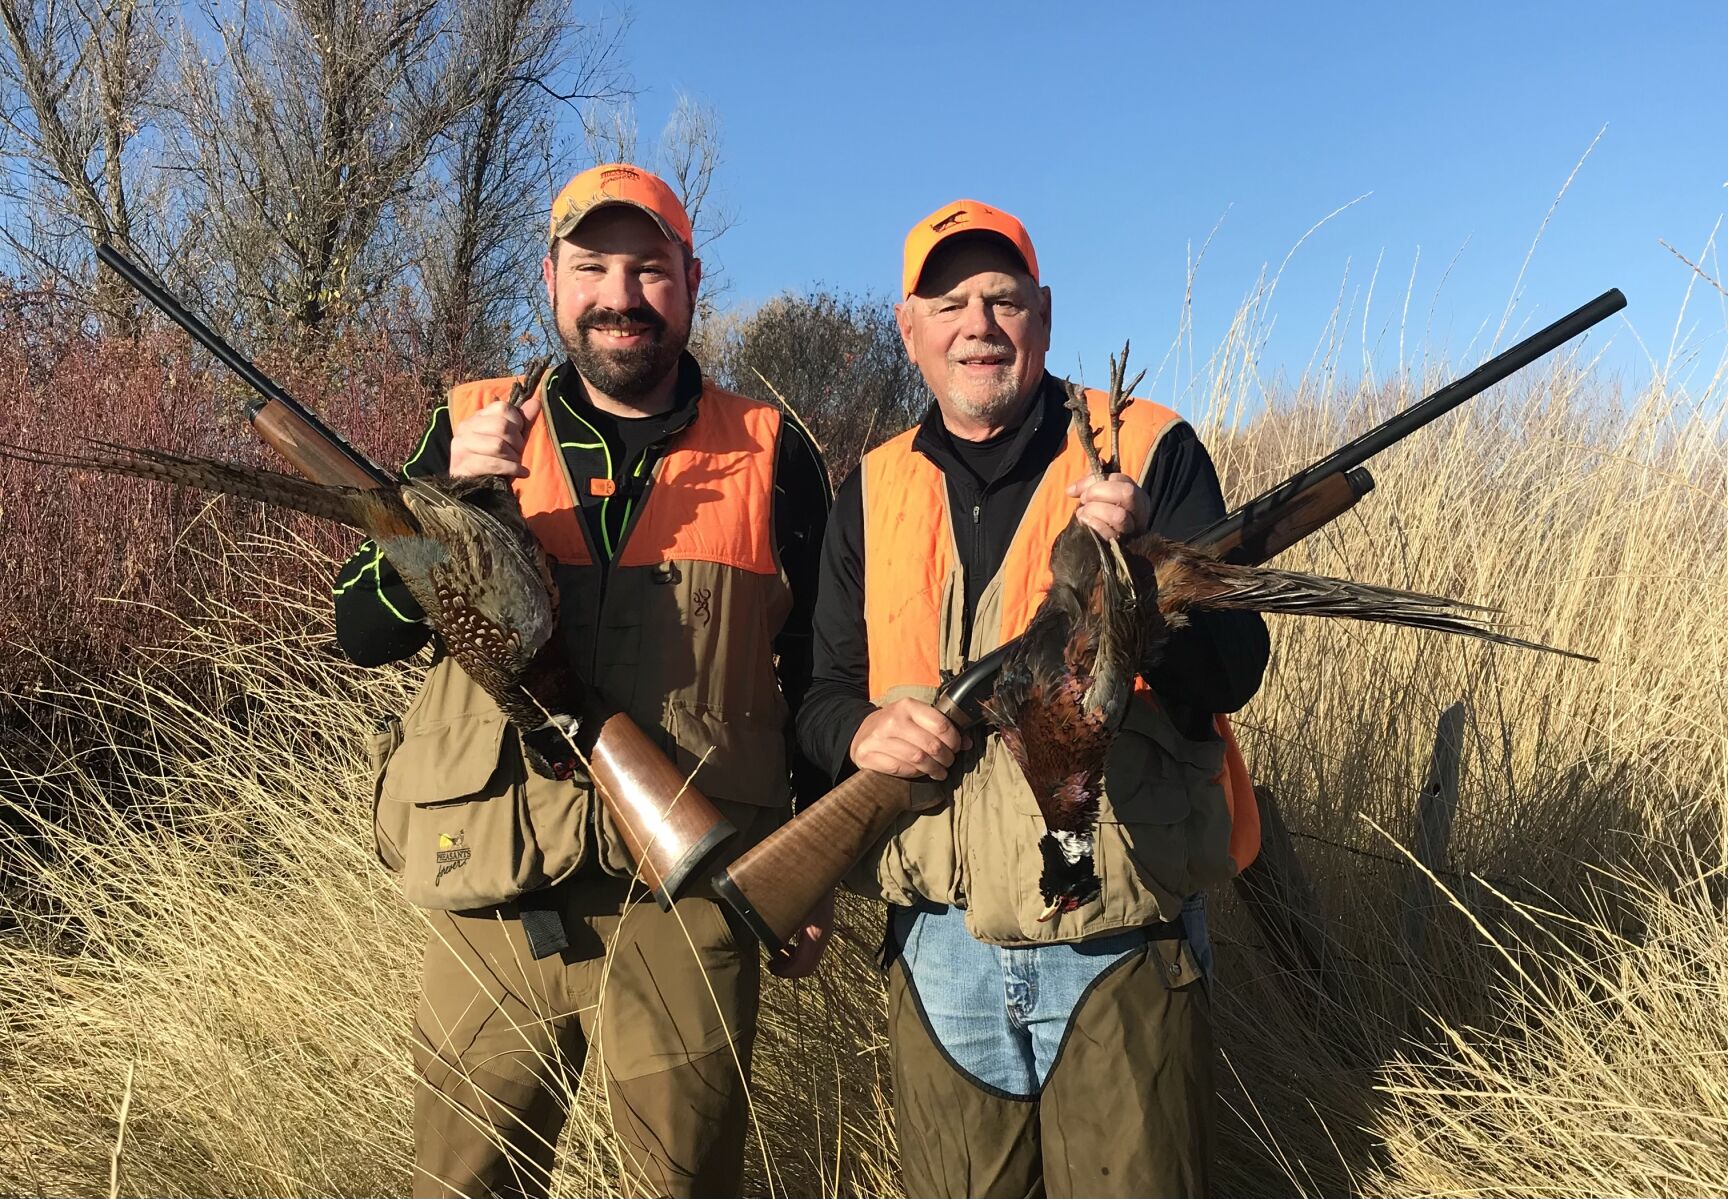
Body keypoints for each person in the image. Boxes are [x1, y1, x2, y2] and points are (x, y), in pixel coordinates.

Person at [333, 162, 833, 1199]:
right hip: (496, 878)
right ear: (553, 283)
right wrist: (442, 503)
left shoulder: (773, 451)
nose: (620, 294)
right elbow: (362, 627)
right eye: (593, 266)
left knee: (685, 1183)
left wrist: (812, 862)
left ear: (691, 282)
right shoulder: (465, 424)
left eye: (649, 269)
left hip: (689, 885)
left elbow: (818, 671)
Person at [796, 199, 1271, 1197]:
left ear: (1044, 316)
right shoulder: (869, 489)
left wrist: (1148, 579)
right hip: (938, 947)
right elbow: (821, 696)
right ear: (908, 326)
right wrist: (864, 728)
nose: (980, 322)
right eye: (952, 300)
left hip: (1116, 936)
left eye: (1004, 298)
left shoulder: (1151, 446)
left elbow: (1234, 666)